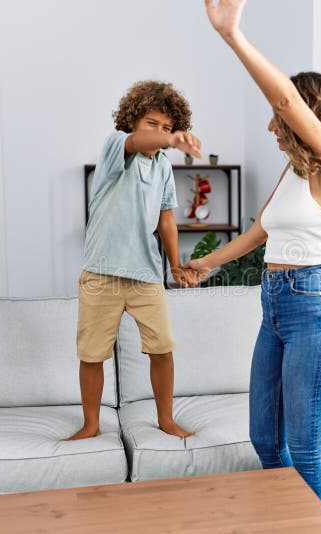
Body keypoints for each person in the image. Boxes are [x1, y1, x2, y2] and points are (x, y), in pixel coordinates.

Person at [188, 0, 321, 501]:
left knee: (304, 446)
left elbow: (287, 102)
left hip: (315, 309)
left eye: (277, 117)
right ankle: (283, 519)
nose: (272, 126)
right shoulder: (296, 170)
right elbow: (258, 232)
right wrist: (205, 263)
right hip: (276, 306)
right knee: (265, 438)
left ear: (306, 115)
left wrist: (232, 36)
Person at [66, 80, 202, 441]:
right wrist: (170, 141)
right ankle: (91, 424)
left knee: (162, 349)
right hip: (101, 272)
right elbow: (136, 143)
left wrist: (175, 265)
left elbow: (167, 219)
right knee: (92, 354)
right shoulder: (116, 145)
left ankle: (166, 420)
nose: (160, 134)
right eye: (152, 124)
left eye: (169, 128)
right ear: (133, 121)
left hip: (145, 273)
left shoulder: (163, 169)